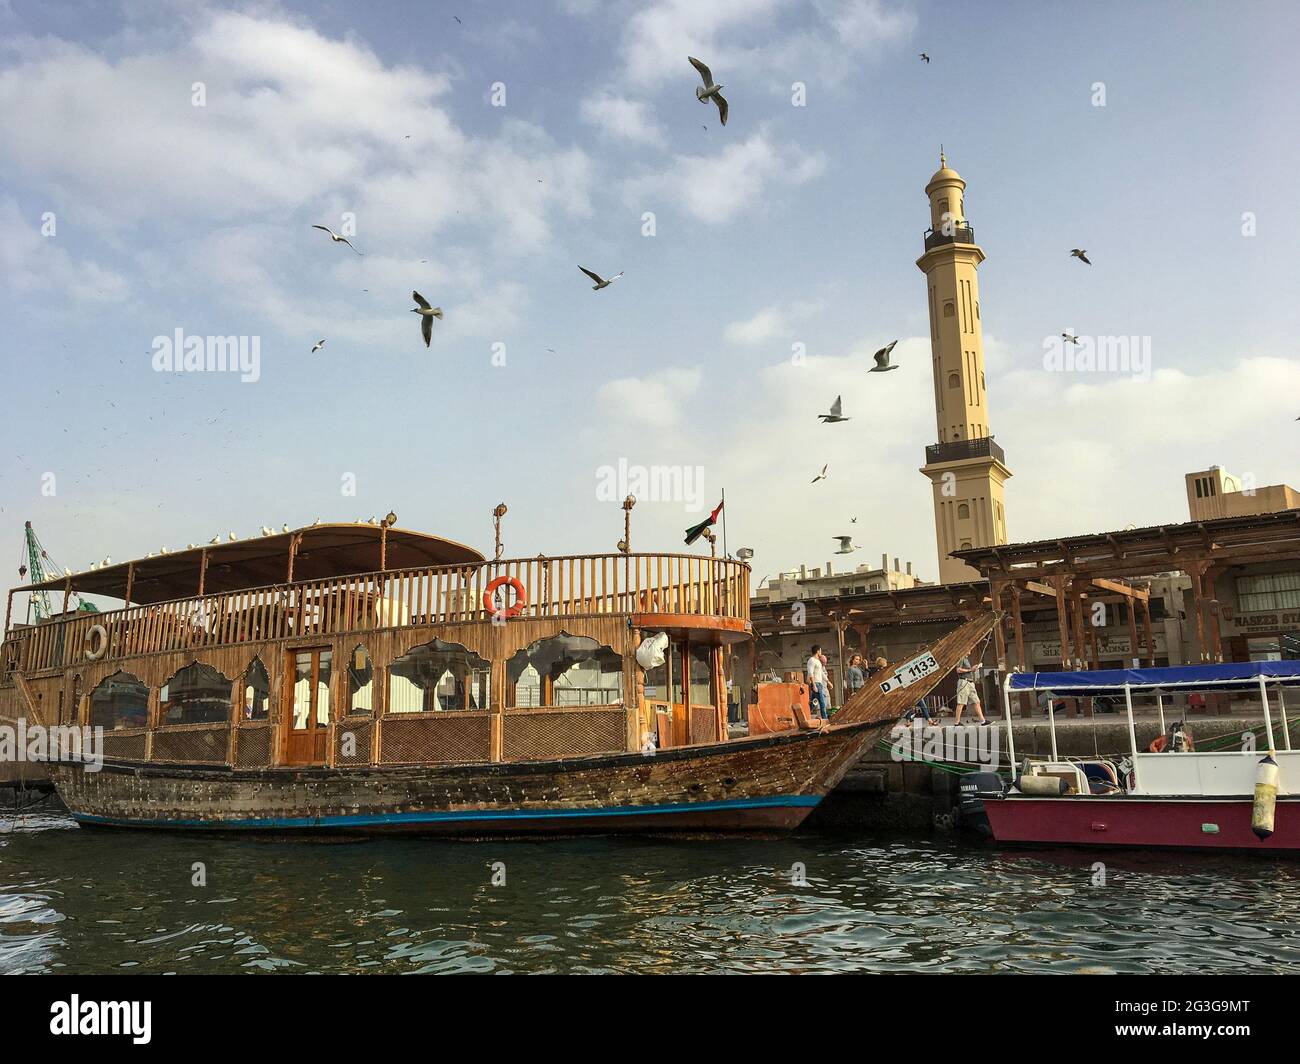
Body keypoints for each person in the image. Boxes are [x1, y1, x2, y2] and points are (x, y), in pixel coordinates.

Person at [954, 655, 988, 726]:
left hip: (970, 682)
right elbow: (958, 670)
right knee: (961, 702)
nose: (970, 650)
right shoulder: (961, 658)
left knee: (976, 702)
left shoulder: (967, 659)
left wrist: (974, 668)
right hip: (964, 682)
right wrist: (970, 670)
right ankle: (957, 722)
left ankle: (983, 721)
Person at [806, 645, 829, 720]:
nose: (821, 653)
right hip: (815, 683)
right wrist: (814, 685)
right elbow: (810, 673)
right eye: (820, 651)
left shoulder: (818, 661)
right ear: (818, 651)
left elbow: (821, 673)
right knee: (822, 702)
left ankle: (805, 715)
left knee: (813, 703)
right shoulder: (811, 660)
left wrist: (828, 682)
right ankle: (825, 719)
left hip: (819, 684)